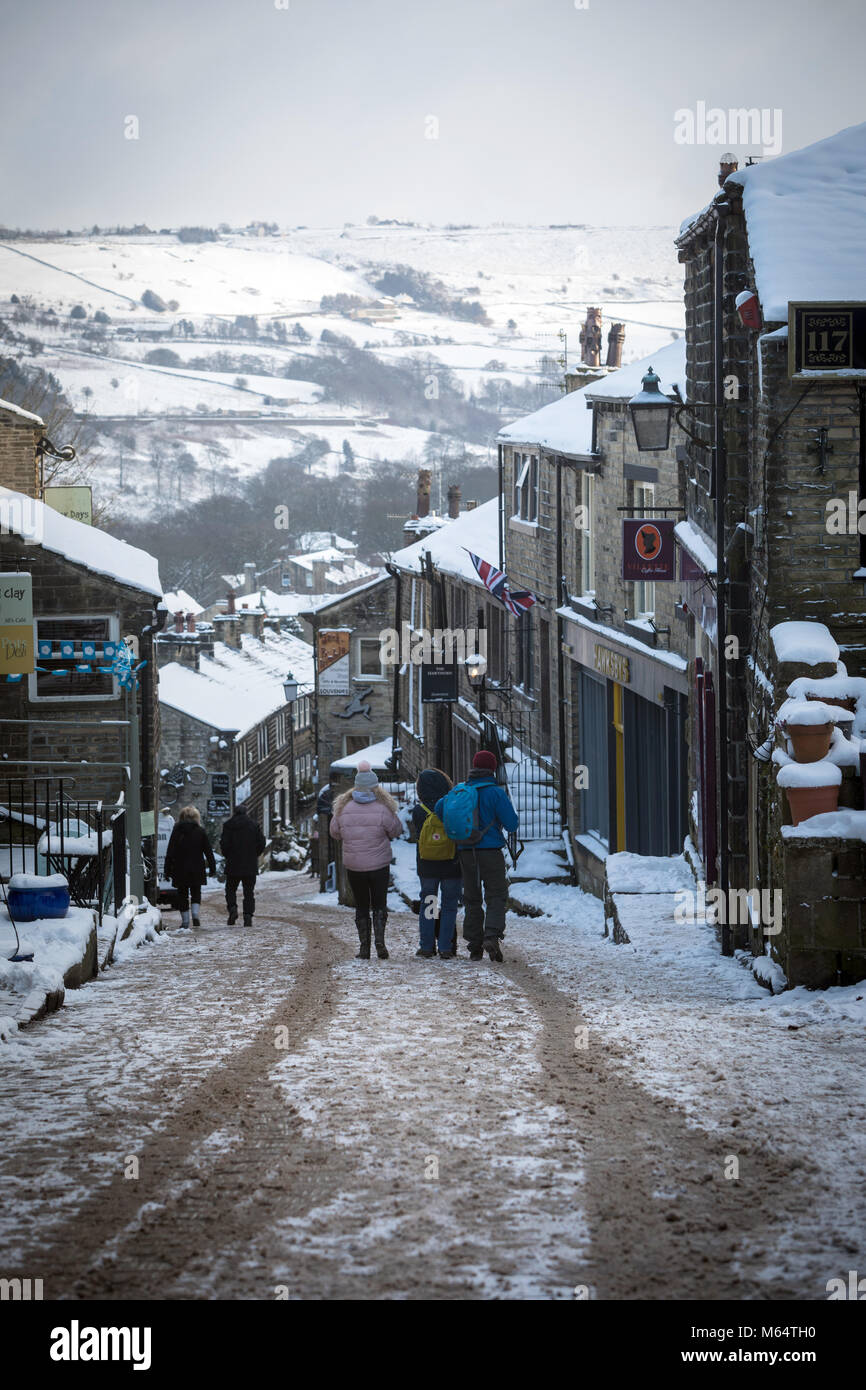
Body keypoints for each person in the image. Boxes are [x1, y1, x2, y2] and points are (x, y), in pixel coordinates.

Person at [436, 750, 519, 962]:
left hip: (466, 852)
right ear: (492, 769)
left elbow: (439, 809)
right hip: (491, 852)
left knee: (472, 898)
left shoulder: (460, 791)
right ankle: (491, 935)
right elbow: (512, 824)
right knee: (496, 894)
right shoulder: (496, 793)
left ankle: (474, 945)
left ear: (474, 767)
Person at [330, 761, 402, 960]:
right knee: (379, 903)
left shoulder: (343, 808)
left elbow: (334, 832)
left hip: (354, 866)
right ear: (375, 786)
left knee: (361, 904)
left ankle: (364, 948)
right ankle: (380, 942)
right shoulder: (383, 808)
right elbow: (396, 830)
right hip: (379, 865)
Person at [410, 768, 462, 960]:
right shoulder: (452, 806)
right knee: (449, 906)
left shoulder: (419, 811)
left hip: (427, 865)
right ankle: (446, 947)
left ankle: (426, 946)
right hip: (452, 863)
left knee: (429, 904)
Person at [164, 804, 216, 928]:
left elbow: (170, 851)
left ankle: (186, 921)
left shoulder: (177, 830)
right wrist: (212, 867)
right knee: (196, 892)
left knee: (182, 894)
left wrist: (167, 869)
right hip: (197, 867)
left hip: (180, 868)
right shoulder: (200, 831)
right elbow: (208, 851)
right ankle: (195, 914)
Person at [220, 802, 266, 926]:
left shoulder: (228, 825)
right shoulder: (254, 825)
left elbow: (224, 844)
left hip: (233, 864)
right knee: (248, 892)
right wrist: (254, 854)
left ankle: (232, 908)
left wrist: (228, 855)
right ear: (246, 812)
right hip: (249, 864)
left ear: (234, 812)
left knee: (230, 889)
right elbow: (262, 843)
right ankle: (247, 915)